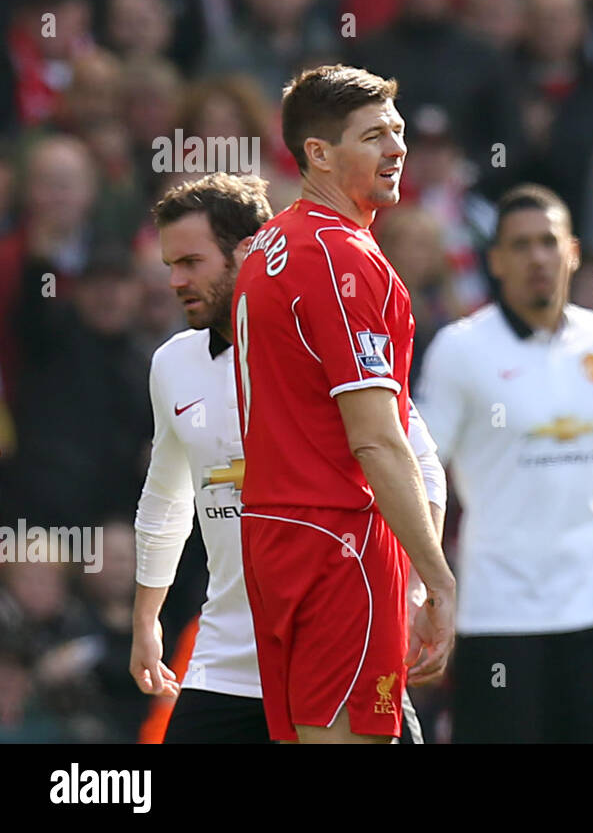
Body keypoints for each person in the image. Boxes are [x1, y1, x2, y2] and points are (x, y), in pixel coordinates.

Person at [129, 173, 446, 743]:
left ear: (248, 251)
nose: (176, 281)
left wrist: (416, 591)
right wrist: (146, 619)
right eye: (170, 265)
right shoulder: (172, 363)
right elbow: (166, 499)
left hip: (338, 647)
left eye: (192, 263)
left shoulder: (317, 334)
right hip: (225, 661)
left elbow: (420, 468)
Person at [415, 183, 593, 743]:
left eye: (548, 242)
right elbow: (421, 475)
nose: (537, 258)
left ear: (571, 251)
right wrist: (415, 596)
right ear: (494, 261)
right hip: (497, 620)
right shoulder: (459, 350)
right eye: (520, 246)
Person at [232, 65, 455, 744]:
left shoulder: (268, 246)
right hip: (341, 544)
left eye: (398, 131)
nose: (396, 150)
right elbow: (377, 440)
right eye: (372, 136)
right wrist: (437, 578)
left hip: (273, 533)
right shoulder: (342, 258)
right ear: (318, 154)